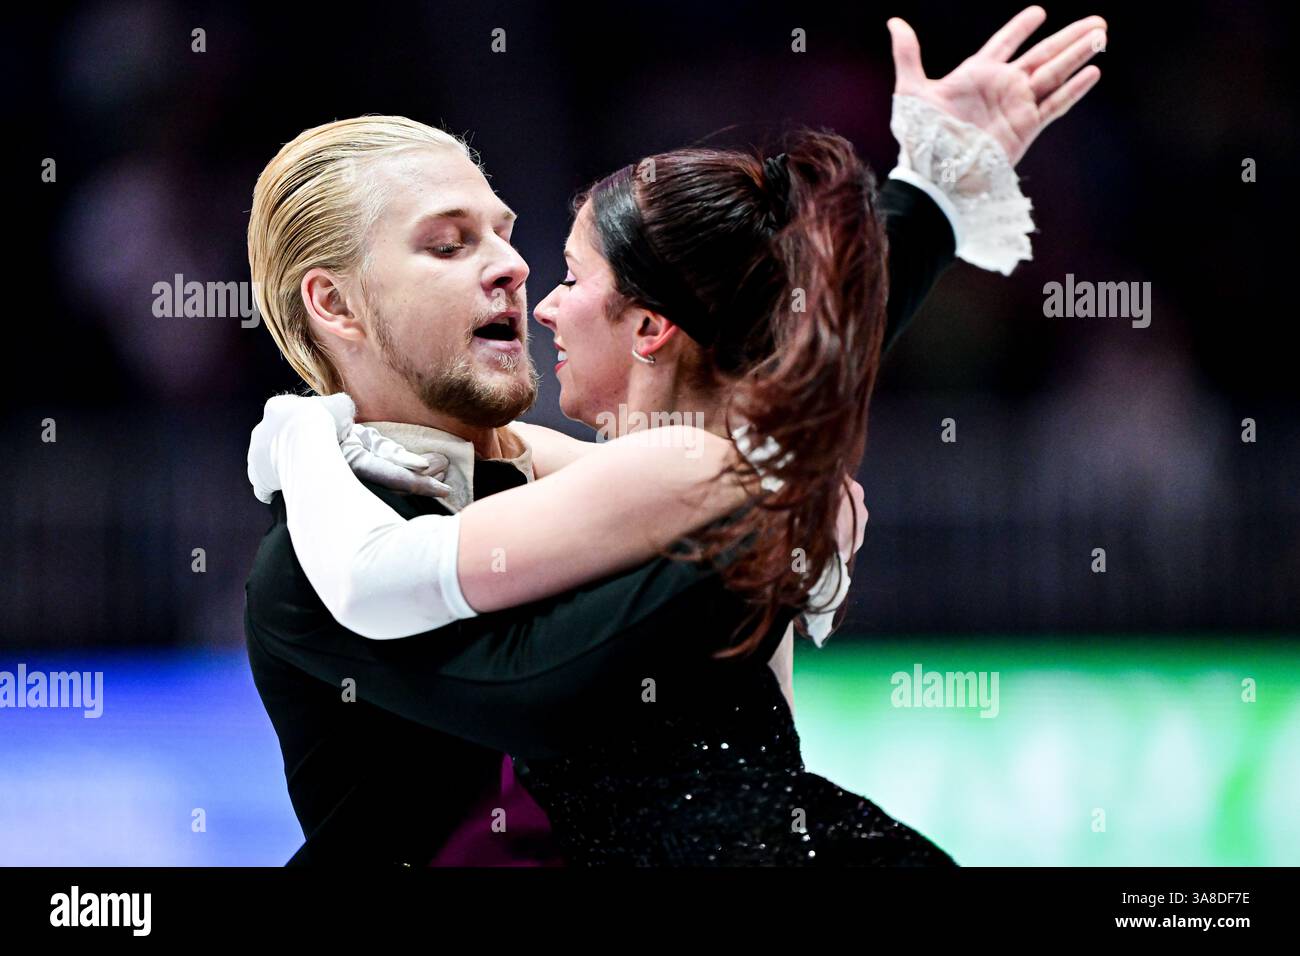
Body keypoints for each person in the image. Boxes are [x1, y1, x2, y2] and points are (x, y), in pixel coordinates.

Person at [244, 8, 1105, 864]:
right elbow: (535, 688)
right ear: (335, 304)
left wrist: (935, 191)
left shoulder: (618, 478)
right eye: (447, 245)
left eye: (504, 233)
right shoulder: (308, 565)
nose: (515, 268)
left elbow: (767, 347)